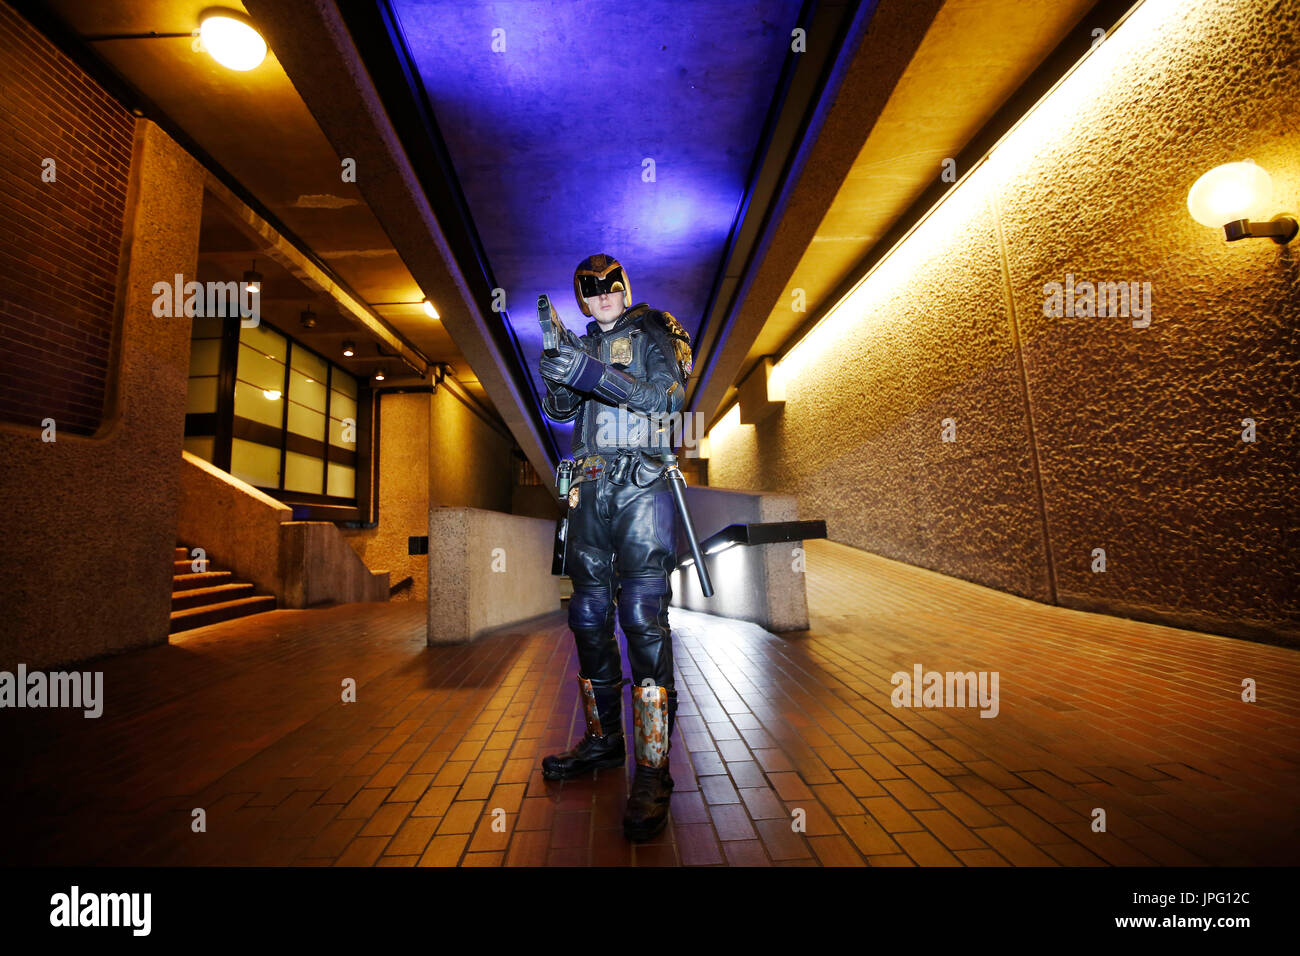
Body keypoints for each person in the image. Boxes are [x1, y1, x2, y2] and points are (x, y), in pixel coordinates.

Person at [537, 253, 693, 841]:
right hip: (590, 488)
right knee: (586, 615)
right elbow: (560, 411)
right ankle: (604, 742)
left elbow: (667, 400)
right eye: (589, 289)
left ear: (624, 287)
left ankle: (653, 769)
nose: (601, 295)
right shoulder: (580, 342)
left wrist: (586, 370)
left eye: (609, 286)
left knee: (643, 619)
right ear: (580, 297)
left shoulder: (658, 327)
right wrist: (558, 371)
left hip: (643, 487)